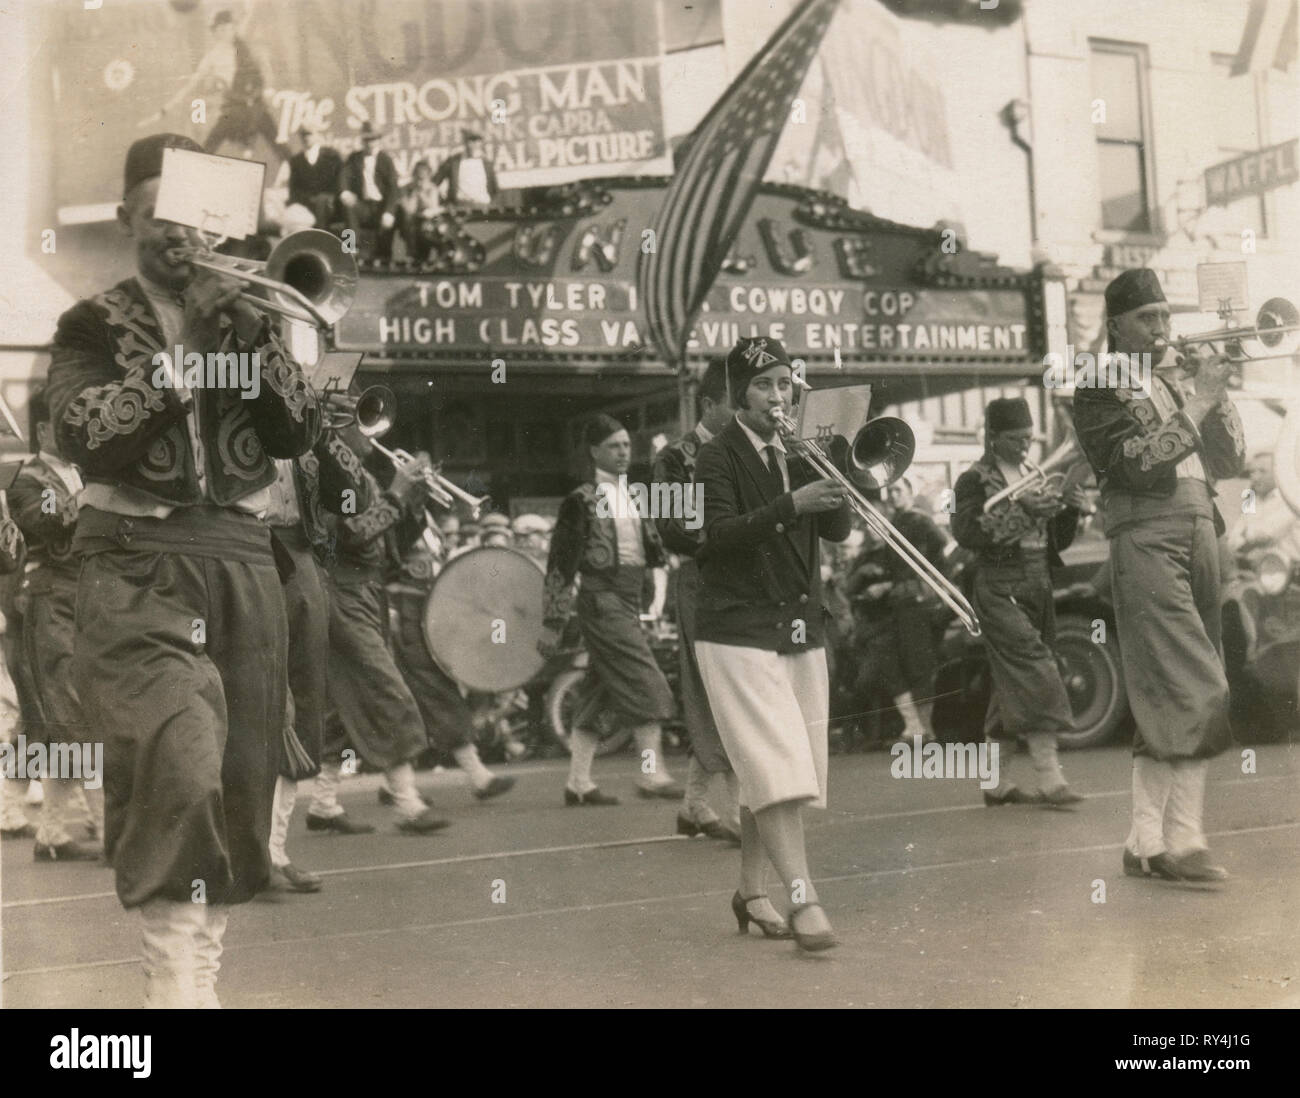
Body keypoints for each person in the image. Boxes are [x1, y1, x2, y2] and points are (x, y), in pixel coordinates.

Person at [44, 132, 321, 1007]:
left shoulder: (251, 314)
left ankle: (193, 979)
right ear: (127, 214)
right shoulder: (87, 323)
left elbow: (296, 435)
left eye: (196, 215)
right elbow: (84, 437)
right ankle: (176, 990)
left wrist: (259, 339)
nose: (180, 234)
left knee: (238, 786)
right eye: (160, 210)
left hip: (241, 562)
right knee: (180, 767)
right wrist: (190, 351)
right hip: (136, 569)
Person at [1073, 268, 1246, 883]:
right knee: (1196, 683)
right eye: (1149, 318)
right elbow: (1133, 465)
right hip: (1146, 532)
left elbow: (1230, 459)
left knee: (1168, 690)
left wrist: (1216, 392)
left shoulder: (1172, 381)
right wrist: (1195, 401)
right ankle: (1186, 839)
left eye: (1166, 317)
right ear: (1115, 324)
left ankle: (1144, 841)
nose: (1163, 329)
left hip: (1201, 530)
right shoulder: (1097, 384)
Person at [692, 336, 852, 951]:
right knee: (775, 765)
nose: (778, 397)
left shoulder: (800, 449)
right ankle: (804, 899)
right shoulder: (718, 456)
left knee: (784, 767)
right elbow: (715, 535)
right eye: (765, 387)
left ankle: (750, 891)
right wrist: (791, 502)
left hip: (796, 625)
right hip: (735, 629)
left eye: (786, 385)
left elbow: (834, 527)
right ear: (740, 395)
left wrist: (830, 463)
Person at [306, 420, 451, 835]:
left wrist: (416, 499)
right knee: (387, 691)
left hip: (368, 593)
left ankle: (323, 804)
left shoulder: (364, 476)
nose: (372, 432)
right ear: (336, 431)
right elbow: (350, 537)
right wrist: (398, 493)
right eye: (361, 423)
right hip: (343, 593)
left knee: (343, 705)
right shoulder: (329, 475)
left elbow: (392, 547)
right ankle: (407, 803)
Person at [540, 414, 683, 806]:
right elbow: (561, 564)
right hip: (602, 601)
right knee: (646, 681)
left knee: (597, 693)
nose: (623, 452)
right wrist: (553, 622)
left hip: (628, 600)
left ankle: (578, 783)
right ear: (595, 452)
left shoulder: (634, 494)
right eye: (614, 446)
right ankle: (651, 774)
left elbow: (648, 551)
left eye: (625, 445)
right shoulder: (581, 500)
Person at [952, 398, 1085, 809]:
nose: (1026, 446)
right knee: (1037, 668)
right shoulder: (970, 480)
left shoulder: (1032, 474)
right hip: (999, 585)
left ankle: (995, 783)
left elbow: (1054, 542)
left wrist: (1069, 511)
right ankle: (1049, 777)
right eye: (1016, 439)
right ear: (993, 438)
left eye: (1029, 438)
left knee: (1009, 684)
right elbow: (965, 532)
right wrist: (1018, 507)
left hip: (1037, 582)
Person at [7, 388, 102, 861]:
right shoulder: (27, 481)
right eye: (70, 422)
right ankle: (95, 828)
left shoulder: (80, 473)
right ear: (45, 429)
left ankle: (47, 826)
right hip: (47, 602)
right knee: (64, 710)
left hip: (85, 600)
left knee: (49, 715)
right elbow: (50, 521)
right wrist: (95, 493)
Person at [651, 359, 741, 843]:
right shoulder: (672, 457)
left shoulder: (748, 447)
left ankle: (694, 805)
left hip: (744, 578)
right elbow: (669, 528)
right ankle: (736, 810)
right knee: (713, 688)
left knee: (728, 687)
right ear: (708, 404)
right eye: (735, 401)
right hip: (703, 577)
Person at [848, 476, 948, 747]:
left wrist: (927, 583)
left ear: (910, 492)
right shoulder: (897, 525)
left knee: (919, 666)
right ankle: (920, 730)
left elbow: (942, 552)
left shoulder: (919, 521)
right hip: (901, 604)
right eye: (890, 491)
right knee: (903, 663)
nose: (893, 495)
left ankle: (927, 732)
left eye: (898, 490)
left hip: (917, 603)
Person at [338, 122, 400, 263]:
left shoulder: (386, 160)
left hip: (381, 207)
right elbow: (344, 176)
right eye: (367, 140)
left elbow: (393, 189)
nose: (370, 144)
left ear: (379, 140)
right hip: (364, 206)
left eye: (373, 140)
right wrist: (344, 192)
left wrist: (389, 211)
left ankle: (384, 258)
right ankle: (350, 249)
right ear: (362, 141)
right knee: (348, 207)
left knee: (384, 241)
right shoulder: (355, 158)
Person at [1228, 450, 1300, 558]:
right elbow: (1232, 540)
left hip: (1288, 569)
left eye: (1262, 471)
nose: (1255, 477)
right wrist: (1248, 537)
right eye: (1252, 472)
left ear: (1278, 471)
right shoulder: (1251, 500)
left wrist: (1245, 535)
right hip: (1254, 568)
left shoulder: (1290, 497)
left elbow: (1268, 533)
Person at [287, 121, 343, 231]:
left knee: (322, 201)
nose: (306, 138)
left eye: (310, 134)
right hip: (306, 204)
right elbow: (293, 190)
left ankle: (321, 239)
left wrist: (329, 198)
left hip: (329, 204)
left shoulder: (332, 155)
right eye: (303, 135)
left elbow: (339, 182)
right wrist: (306, 199)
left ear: (318, 135)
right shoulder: (296, 161)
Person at [398, 159, 446, 264]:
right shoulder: (405, 189)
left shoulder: (433, 188)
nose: (420, 180)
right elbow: (409, 210)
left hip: (429, 223)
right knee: (410, 223)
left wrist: (423, 194)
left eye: (424, 177)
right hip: (411, 223)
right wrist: (415, 193)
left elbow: (433, 207)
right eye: (418, 176)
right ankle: (412, 255)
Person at [433, 131, 498, 208]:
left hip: (483, 206)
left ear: (481, 143)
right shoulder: (454, 161)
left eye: (477, 140)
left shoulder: (487, 163)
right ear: (465, 142)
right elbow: (434, 183)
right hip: (460, 207)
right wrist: (444, 201)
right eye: (470, 140)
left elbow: (494, 189)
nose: (473, 144)